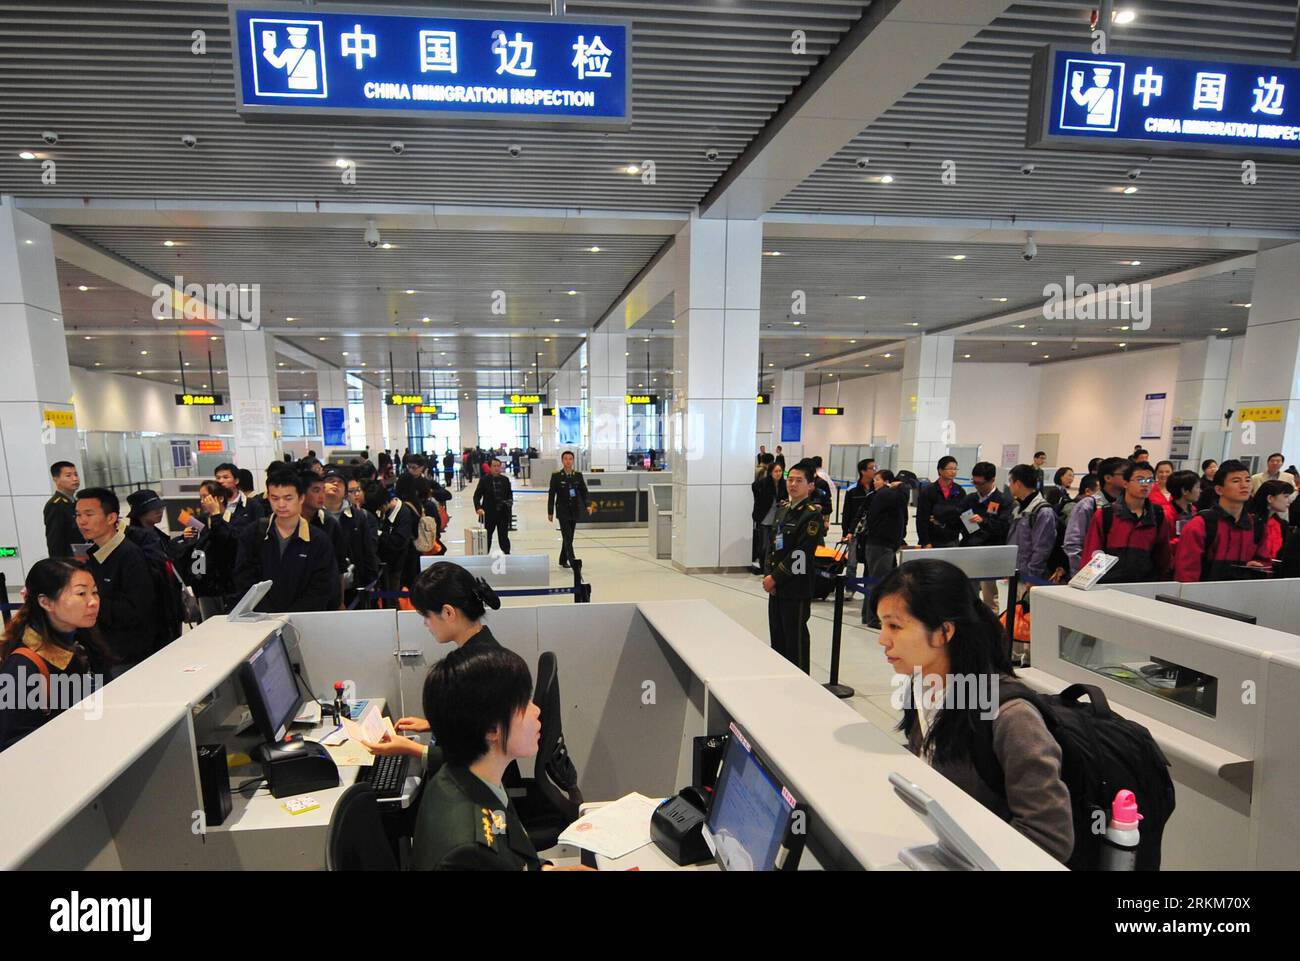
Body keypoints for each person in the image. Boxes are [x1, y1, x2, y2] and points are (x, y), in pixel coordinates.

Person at [869, 559, 1073, 863]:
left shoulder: (1011, 717)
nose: (883, 639)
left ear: (943, 632)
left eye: (895, 626)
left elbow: (1050, 840)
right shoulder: (924, 685)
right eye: (882, 625)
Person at [410, 647, 591, 871]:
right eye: (524, 704)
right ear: (491, 729)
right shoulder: (468, 853)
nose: (536, 711)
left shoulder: (467, 777)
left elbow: (513, 853)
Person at [364, 563, 505, 759]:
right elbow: (474, 725)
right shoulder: (485, 652)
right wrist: (433, 725)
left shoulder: (474, 671)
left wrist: (411, 749)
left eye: (426, 616)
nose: (425, 624)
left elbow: (477, 757)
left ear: (448, 613)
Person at [0, 559, 106, 751]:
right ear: (45, 602)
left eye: (95, 592)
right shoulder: (23, 665)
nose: (93, 602)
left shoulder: (81, 641)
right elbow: (14, 743)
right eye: (81, 593)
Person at [231, 468, 339, 613]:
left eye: (288, 498)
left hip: (304, 620)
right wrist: (267, 613)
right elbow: (243, 579)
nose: (281, 504)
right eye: (275, 498)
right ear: (268, 498)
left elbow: (322, 587)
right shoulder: (254, 534)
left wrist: (292, 615)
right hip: (261, 620)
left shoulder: (318, 540)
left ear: (301, 498)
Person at [75, 487, 157, 674]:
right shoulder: (95, 554)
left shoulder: (129, 554)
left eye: (89, 514)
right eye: (78, 514)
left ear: (111, 518)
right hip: (104, 653)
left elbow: (137, 610)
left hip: (127, 657)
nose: (82, 521)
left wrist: (90, 603)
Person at [763, 461, 823, 672]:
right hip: (776, 587)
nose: (793, 484)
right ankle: (780, 678)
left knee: (794, 640)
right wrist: (768, 575)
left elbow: (801, 554)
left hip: (795, 587)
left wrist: (775, 578)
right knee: (777, 637)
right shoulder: (783, 510)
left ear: (810, 485)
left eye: (799, 480)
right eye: (790, 479)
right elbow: (773, 546)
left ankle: (800, 683)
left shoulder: (811, 514)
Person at [1173, 459, 1272, 582]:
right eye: (1236, 481)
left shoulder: (1257, 525)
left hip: (1243, 595)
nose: (1244, 485)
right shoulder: (1200, 525)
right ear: (1219, 489)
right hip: (1203, 596)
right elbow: (1186, 573)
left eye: (1247, 480)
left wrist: (1258, 567)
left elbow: (1265, 563)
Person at [1080, 460, 1172, 583]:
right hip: (1108, 586)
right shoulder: (1106, 514)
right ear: (1125, 483)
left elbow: (1163, 556)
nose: (1145, 485)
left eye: (1150, 480)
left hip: (1143, 585)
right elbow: (1092, 552)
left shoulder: (1158, 516)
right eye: (1140, 480)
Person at [170, 480, 238, 619]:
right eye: (200, 497)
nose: (202, 501)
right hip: (203, 585)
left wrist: (215, 515)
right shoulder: (201, 520)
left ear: (219, 498)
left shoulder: (233, 519)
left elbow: (223, 541)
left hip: (227, 586)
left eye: (205, 497)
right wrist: (186, 536)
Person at [124, 488, 184, 644]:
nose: (160, 511)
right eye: (154, 509)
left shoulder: (157, 535)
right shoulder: (135, 539)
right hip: (156, 608)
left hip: (171, 604)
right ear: (141, 512)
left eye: (161, 507)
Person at [857, 469, 908, 628]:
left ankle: (868, 615)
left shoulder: (883, 495)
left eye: (877, 479)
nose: (874, 482)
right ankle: (874, 618)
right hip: (881, 545)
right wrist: (902, 487)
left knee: (874, 580)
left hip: (880, 544)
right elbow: (903, 498)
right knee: (879, 582)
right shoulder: (887, 494)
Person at [960, 462, 1012, 610]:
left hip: (990, 552)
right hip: (970, 550)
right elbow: (964, 525)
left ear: (992, 480)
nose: (977, 486)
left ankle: (991, 627)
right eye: (974, 482)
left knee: (990, 596)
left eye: (980, 483)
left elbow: (1003, 528)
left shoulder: (1003, 500)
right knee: (970, 594)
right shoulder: (969, 499)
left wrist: (983, 522)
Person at [1063, 456, 1127, 575]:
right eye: (1124, 474)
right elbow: (1073, 544)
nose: (1129, 478)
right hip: (1091, 574)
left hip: (1119, 575)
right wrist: (1086, 573)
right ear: (1108, 478)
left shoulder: (1128, 506)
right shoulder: (1088, 505)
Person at [323, 469, 379, 600]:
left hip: (355, 584)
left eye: (339, 482)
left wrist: (371, 581)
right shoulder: (315, 516)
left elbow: (368, 551)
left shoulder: (357, 516)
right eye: (330, 481)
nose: (335, 484)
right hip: (325, 586)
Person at [1006, 464, 1059, 588]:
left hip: (1032, 580)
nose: (1009, 486)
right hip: (1017, 575)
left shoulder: (1042, 511)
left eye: (1010, 481)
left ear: (1017, 483)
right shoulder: (1019, 508)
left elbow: (1042, 549)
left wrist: (1032, 577)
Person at [372, 475, 420, 595]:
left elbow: (399, 542)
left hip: (401, 566)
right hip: (392, 565)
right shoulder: (389, 512)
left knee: (396, 597)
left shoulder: (403, 513)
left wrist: (379, 533)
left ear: (385, 503)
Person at [547, 451, 595, 569]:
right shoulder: (556, 476)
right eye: (565, 459)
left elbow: (584, 491)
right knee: (567, 536)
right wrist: (550, 511)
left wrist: (588, 505)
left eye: (570, 459)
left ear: (573, 461)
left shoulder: (577, 475)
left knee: (569, 536)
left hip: (574, 510)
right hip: (562, 510)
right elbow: (552, 494)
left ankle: (562, 559)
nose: (568, 461)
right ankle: (572, 560)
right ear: (562, 461)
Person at [840, 459, 876, 592]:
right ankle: (850, 589)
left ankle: (869, 589)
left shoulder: (877, 489)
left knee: (869, 562)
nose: (874, 470)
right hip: (854, 532)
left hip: (872, 533)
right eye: (872, 468)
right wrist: (845, 533)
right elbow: (847, 514)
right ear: (863, 471)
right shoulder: (852, 491)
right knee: (852, 563)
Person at [916, 456, 965, 548]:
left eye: (955, 469)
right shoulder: (929, 491)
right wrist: (926, 542)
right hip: (932, 539)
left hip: (952, 538)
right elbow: (921, 519)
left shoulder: (959, 491)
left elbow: (963, 515)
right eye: (950, 468)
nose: (953, 471)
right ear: (940, 470)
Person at [1249, 479, 1295, 568]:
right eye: (1285, 496)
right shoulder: (1251, 522)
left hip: (1272, 572)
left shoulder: (1282, 525)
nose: (1289, 501)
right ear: (1270, 498)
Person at [473, 457, 514, 554]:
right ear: (490, 467)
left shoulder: (505, 480)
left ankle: (507, 553)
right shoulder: (484, 480)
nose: (496, 468)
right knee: (487, 537)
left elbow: (509, 495)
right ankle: (485, 555)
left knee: (503, 536)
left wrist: (509, 503)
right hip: (489, 514)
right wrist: (478, 508)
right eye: (494, 466)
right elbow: (476, 496)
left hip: (503, 514)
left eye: (498, 466)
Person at [44, 461, 81, 559]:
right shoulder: (55, 505)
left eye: (76, 474)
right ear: (56, 479)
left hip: (83, 559)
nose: (75, 479)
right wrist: (61, 567)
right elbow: (55, 542)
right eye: (68, 475)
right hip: (70, 562)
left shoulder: (76, 503)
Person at [1165, 470, 1202, 549]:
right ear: (1184, 491)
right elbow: (1163, 544)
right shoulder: (1166, 514)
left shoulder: (1193, 510)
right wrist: (1188, 540)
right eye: (1197, 487)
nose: (1200, 491)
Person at [1149, 460, 1175, 524]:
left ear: (1172, 473)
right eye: (1161, 472)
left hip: (1174, 526)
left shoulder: (1177, 489)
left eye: (1167, 472)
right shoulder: (1149, 489)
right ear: (1156, 473)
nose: (1164, 474)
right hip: (1155, 525)